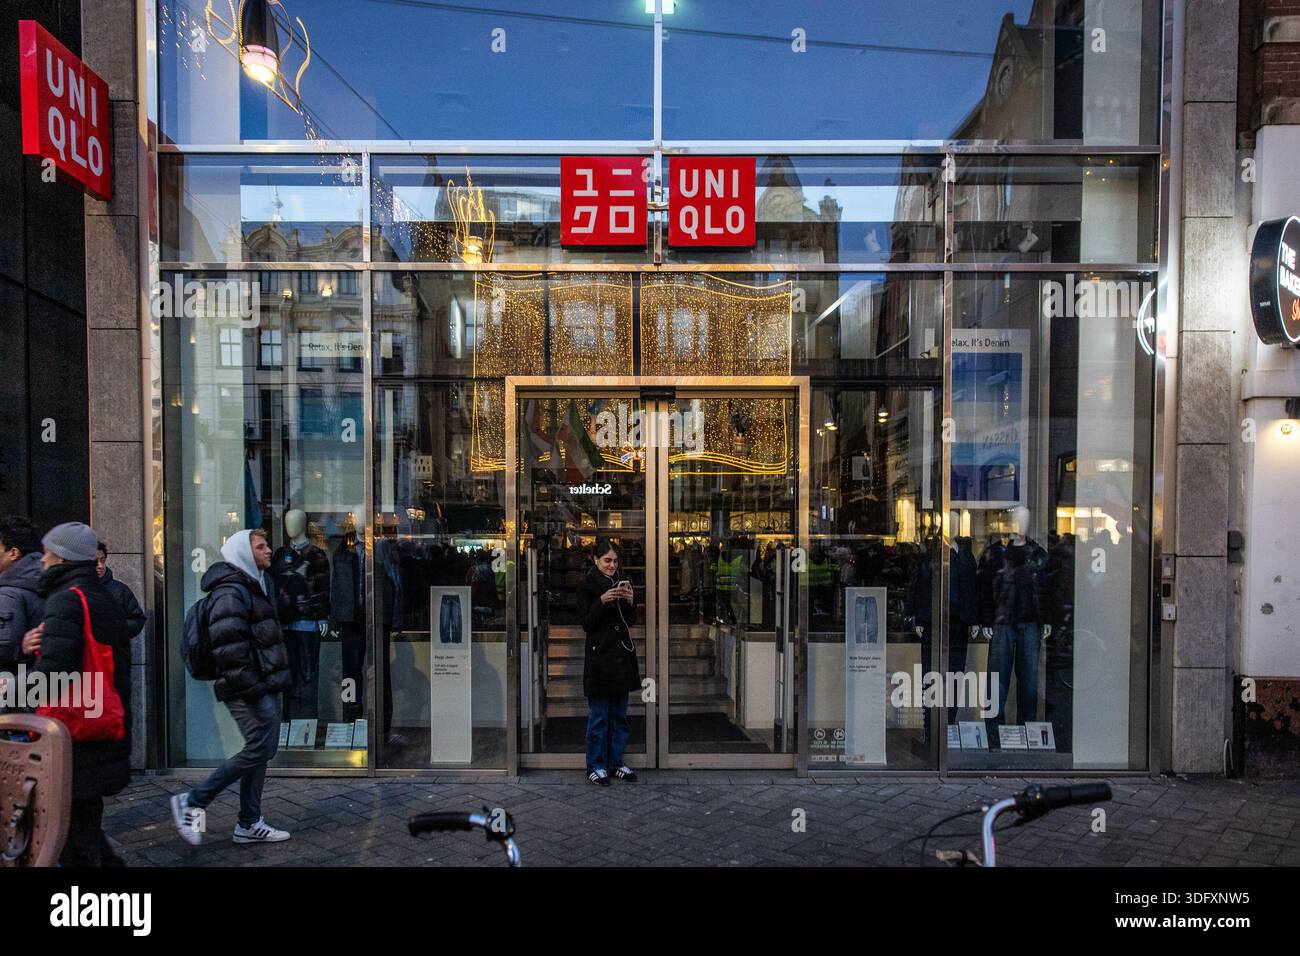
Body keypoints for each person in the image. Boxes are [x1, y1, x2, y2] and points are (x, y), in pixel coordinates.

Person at [170, 529, 293, 846]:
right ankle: (193, 800)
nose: (269, 551)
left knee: (260, 751)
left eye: (267, 545)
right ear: (243, 552)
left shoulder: (252, 586)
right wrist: (255, 689)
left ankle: (249, 823)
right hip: (248, 688)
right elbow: (230, 652)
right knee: (260, 748)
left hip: (260, 684)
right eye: (260, 546)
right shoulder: (231, 593)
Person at [25, 521, 131, 867]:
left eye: (47, 553)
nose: (42, 560)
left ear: (61, 557)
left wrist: (12, 691)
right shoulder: (101, 595)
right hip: (99, 725)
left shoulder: (66, 601)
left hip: (74, 734)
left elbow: (55, 674)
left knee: (73, 837)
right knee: (83, 824)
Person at [576, 539, 640, 787]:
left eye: (615, 561)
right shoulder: (587, 586)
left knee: (619, 715)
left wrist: (631, 601)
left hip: (622, 657)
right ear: (596, 560)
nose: (613, 565)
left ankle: (616, 763)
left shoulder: (621, 583)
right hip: (600, 658)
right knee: (599, 716)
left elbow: (629, 621)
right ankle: (596, 765)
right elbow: (586, 623)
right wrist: (601, 601)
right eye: (608, 560)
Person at [0, 516, 45, 709]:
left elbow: (6, 645)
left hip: (12, 692)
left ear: (13, 553)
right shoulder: (44, 580)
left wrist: (20, 650)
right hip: (38, 689)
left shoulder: (10, 591)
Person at [95, 541, 146, 639]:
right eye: (94, 561)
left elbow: (137, 619)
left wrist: (116, 627)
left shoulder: (120, 590)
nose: (100, 566)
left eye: (102, 560)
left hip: (114, 650)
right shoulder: (75, 589)